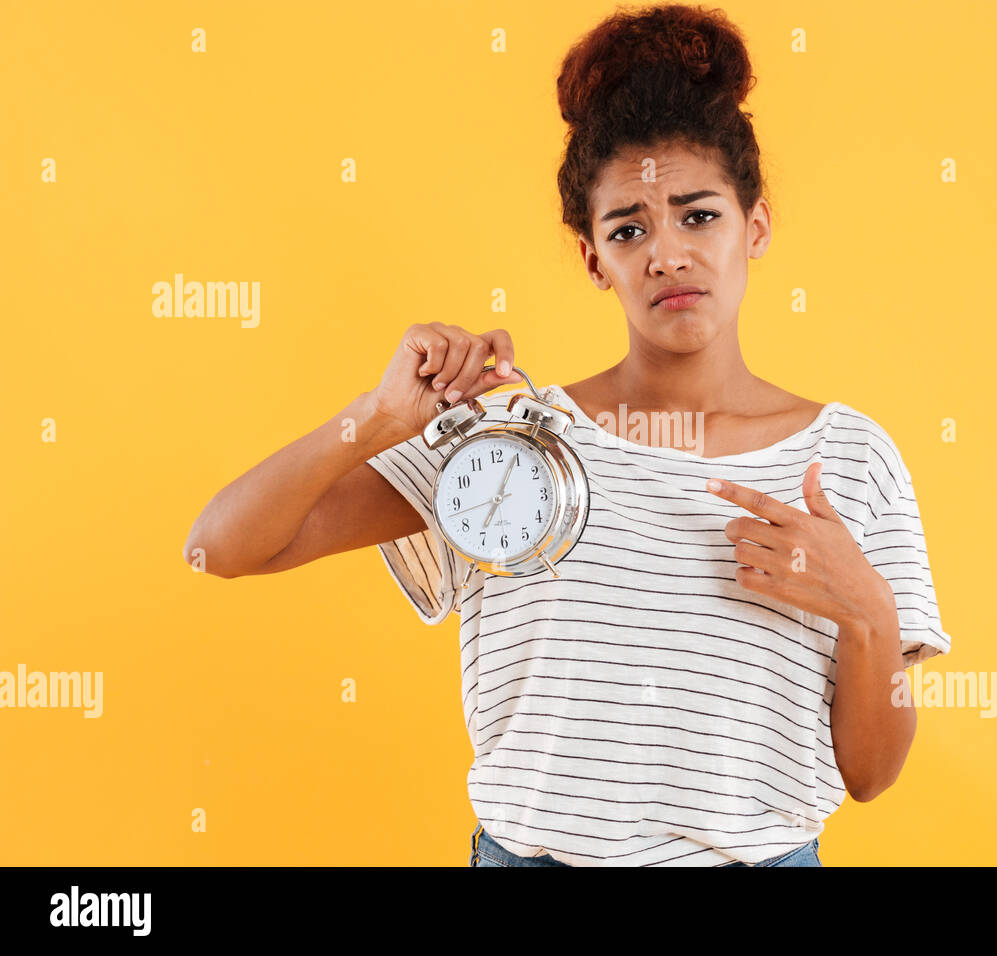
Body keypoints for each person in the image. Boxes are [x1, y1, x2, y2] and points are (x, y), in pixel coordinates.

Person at [182, 3, 952, 867]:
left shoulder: (849, 459)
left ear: (756, 226)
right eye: (629, 228)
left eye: (699, 215)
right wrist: (382, 417)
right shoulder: (507, 441)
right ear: (594, 258)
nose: (666, 254)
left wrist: (870, 611)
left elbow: (871, 775)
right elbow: (221, 545)